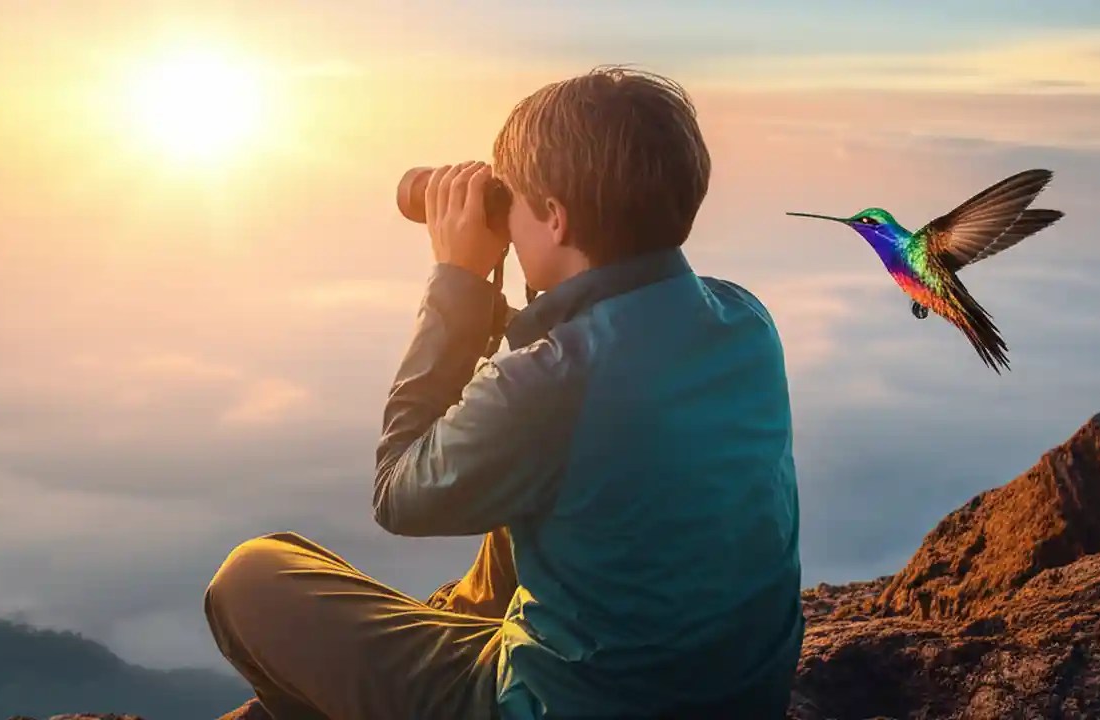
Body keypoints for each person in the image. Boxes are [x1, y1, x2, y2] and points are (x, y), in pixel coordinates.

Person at [204, 66, 802, 720]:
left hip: (564, 705)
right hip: (742, 694)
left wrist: (457, 285)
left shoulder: (551, 382)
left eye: (510, 200)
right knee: (530, 488)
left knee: (250, 577)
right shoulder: (745, 319)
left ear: (553, 216)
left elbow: (398, 494)